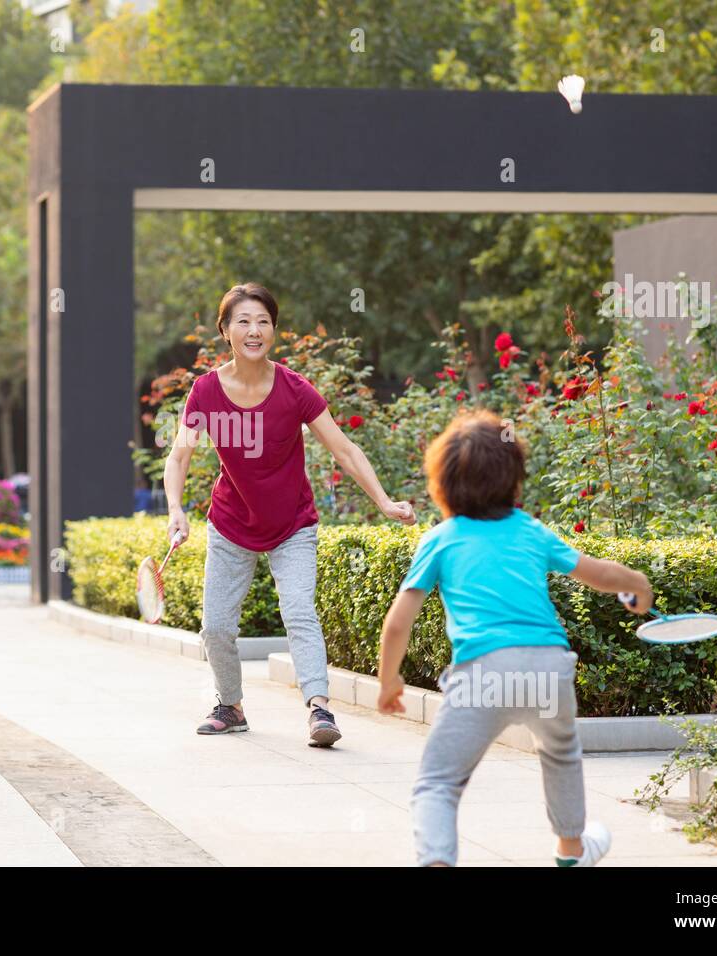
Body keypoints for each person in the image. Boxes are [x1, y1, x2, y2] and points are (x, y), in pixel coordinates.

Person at [377, 409, 654, 867]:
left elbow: (398, 622)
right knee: (561, 753)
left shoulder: (441, 538)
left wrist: (390, 681)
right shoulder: (530, 530)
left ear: (441, 484)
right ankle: (570, 850)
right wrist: (638, 584)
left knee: (438, 783)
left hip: (482, 675)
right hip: (549, 669)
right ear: (514, 480)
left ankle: (438, 861)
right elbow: (599, 574)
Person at [164, 282, 415, 747]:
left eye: (263, 321)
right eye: (243, 321)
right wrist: (176, 509)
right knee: (216, 627)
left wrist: (383, 501)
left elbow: (343, 448)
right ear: (225, 330)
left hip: (292, 525)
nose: (254, 330)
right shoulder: (205, 392)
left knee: (299, 612)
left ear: (274, 330)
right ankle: (230, 705)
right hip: (231, 524)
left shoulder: (294, 389)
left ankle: (320, 709)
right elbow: (179, 457)